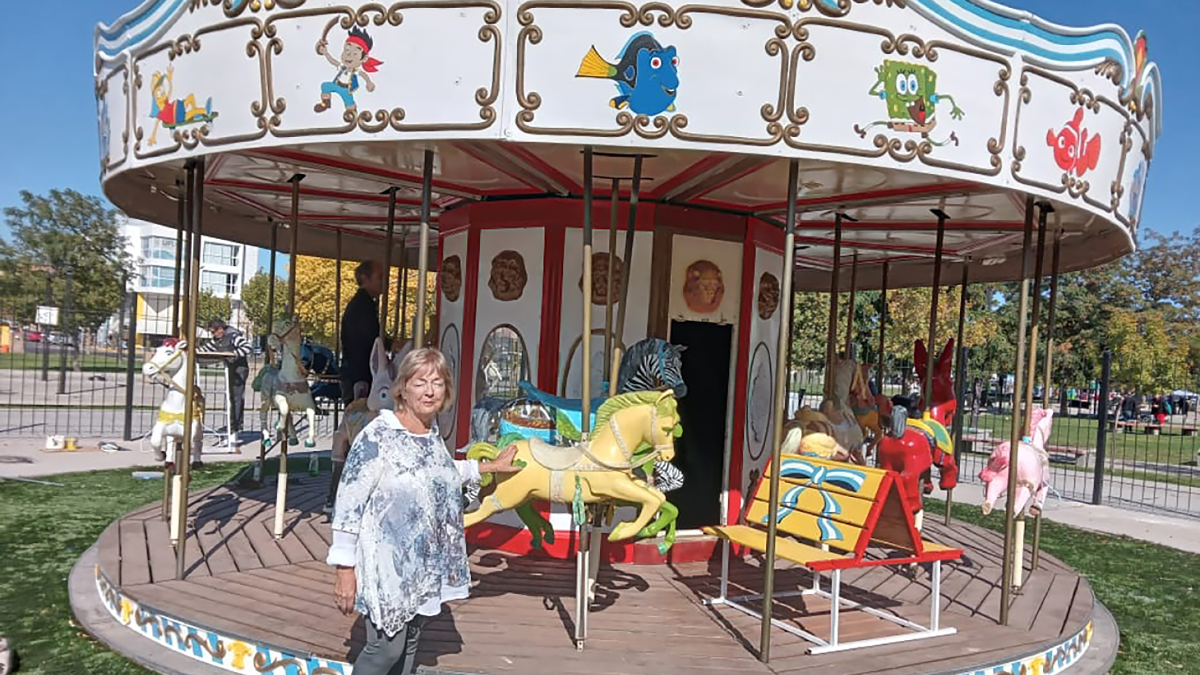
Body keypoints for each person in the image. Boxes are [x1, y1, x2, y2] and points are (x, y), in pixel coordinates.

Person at [327, 348, 519, 674]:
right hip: (385, 565)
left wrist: (489, 466)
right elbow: (348, 502)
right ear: (403, 388)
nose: (430, 391)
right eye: (420, 383)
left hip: (422, 565)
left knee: (411, 643)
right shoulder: (378, 435)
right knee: (385, 648)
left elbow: (442, 471)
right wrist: (345, 569)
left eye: (438, 382)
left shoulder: (429, 436)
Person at [341, 260, 386, 404]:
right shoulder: (363, 306)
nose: (384, 281)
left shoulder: (362, 304)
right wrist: (392, 344)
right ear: (365, 279)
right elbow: (373, 338)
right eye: (380, 277)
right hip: (361, 374)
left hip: (356, 372)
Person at [198, 318, 252, 437]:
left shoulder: (233, 337)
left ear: (221, 329)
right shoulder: (217, 340)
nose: (213, 334)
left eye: (213, 331)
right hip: (230, 368)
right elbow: (205, 349)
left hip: (240, 369)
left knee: (237, 397)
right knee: (231, 397)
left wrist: (234, 354)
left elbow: (247, 347)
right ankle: (232, 423)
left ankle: (236, 425)